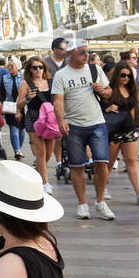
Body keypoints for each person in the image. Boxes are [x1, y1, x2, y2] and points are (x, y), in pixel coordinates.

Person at [52, 39, 114, 220]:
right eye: (82, 52)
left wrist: (102, 91)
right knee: (76, 166)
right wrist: (61, 120)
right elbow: (58, 100)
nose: (87, 55)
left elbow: (110, 92)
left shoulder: (95, 69)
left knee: (102, 162)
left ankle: (101, 201)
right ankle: (82, 204)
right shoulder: (61, 75)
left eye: (87, 52)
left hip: (97, 123)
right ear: (70, 54)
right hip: (74, 126)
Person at [103, 61, 139, 207]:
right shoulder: (109, 90)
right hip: (113, 130)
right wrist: (107, 108)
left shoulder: (131, 90)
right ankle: (103, 188)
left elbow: (132, 110)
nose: (126, 78)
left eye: (129, 76)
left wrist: (137, 127)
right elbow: (101, 108)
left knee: (132, 161)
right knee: (109, 163)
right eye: (123, 75)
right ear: (117, 75)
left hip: (129, 128)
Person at [16, 55, 56, 193]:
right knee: (41, 152)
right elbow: (18, 104)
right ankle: (45, 183)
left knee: (48, 153)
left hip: (50, 120)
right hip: (33, 118)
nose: (38, 70)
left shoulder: (51, 82)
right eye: (35, 67)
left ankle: (37, 172)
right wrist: (27, 98)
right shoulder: (25, 84)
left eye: (41, 67)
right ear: (30, 69)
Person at [0, 56, 26, 159]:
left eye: (12, 66)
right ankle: (17, 150)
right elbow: (2, 93)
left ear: (17, 66)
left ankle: (18, 149)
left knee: (22, 129)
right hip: (10, 106)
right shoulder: (5, 78)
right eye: (9, 66)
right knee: (13, 128)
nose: (10, 68)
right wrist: (0, 102)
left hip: (23, 106)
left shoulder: (23, 77)